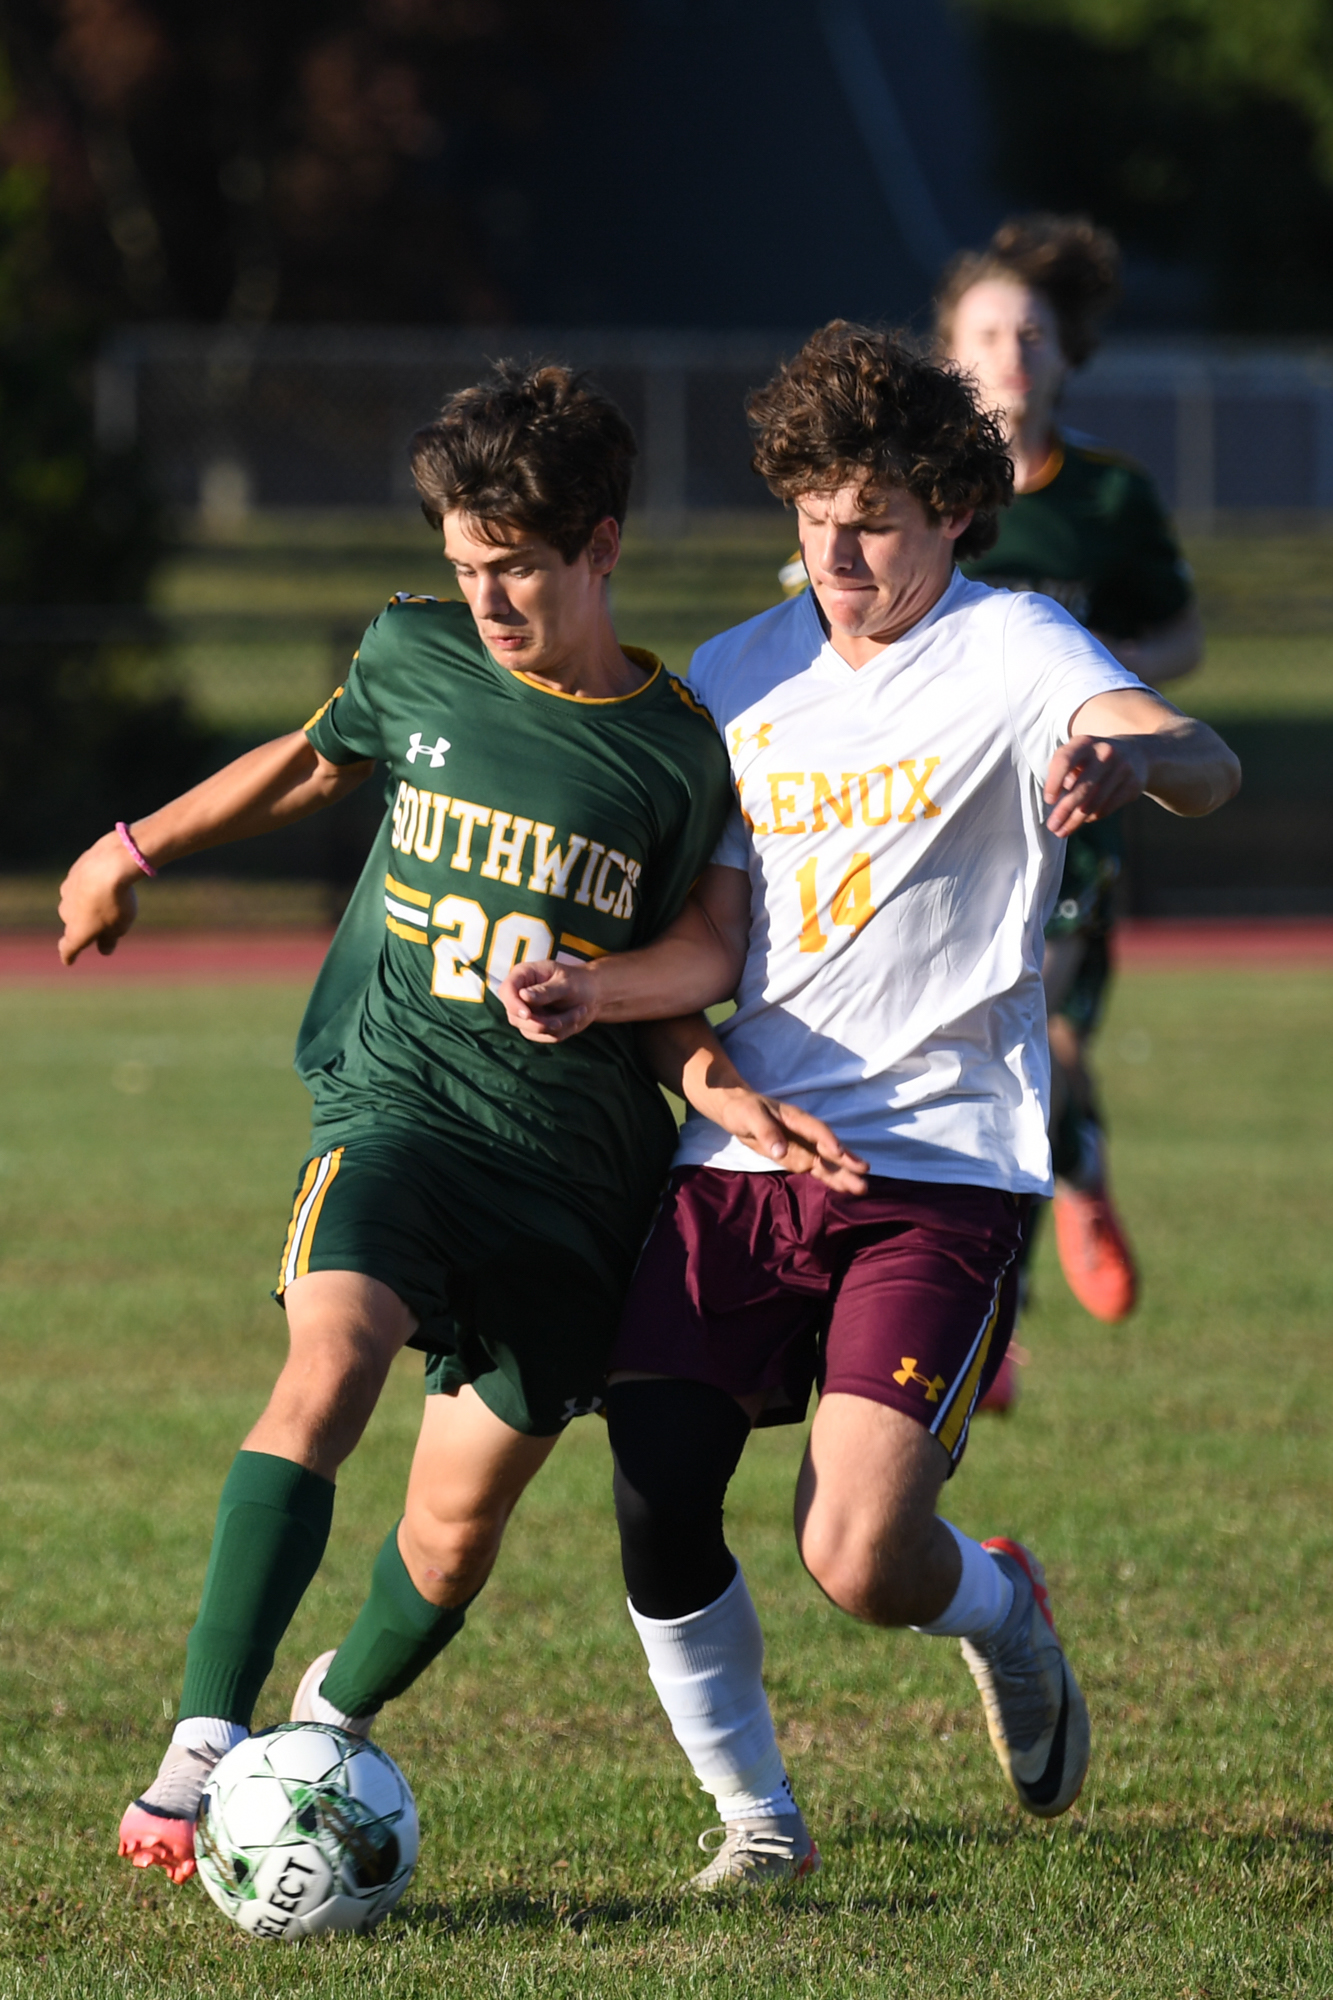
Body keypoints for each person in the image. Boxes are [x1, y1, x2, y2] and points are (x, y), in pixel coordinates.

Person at [501, 322, 1240, 1888]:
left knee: (856, 1554)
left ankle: (998, 1606)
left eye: (879, 520)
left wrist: (1137, 760)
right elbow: (685, 938)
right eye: (814, 511)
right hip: (740, 1156)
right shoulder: (732, 676)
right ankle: (757, 1821)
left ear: (953, 516)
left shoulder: (1013, 643)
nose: (839, 548)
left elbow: (1208, 760)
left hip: (939, 1162)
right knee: (655, 1479)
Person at [57, 361, 766, 1885]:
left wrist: (672, 1046)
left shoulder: (680, 752)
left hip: (572, 1180)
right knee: (334, 1355)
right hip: (396, 1109)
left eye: (513, 562)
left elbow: (700, 963)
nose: (487, 594)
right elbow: (313, 762)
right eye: (462, 561)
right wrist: (133, 848)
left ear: (599, 541)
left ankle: (331, 1716)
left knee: (449, 1540)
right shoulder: (415, 657)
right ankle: (200, 1747)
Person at [938, 213, 1204, 1345]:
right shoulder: (907, 498)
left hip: (1069, 805)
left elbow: (1180, 636)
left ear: (1062, 352)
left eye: (1031, 332)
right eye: (988, 332)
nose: (1010, 353)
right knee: (961, 1049)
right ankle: (1069, 1178)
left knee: (1039, 1034)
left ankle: (1005, 1298)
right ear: (948, 352)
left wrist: (1096, 676)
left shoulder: (1106, 497)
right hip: (937, 812)